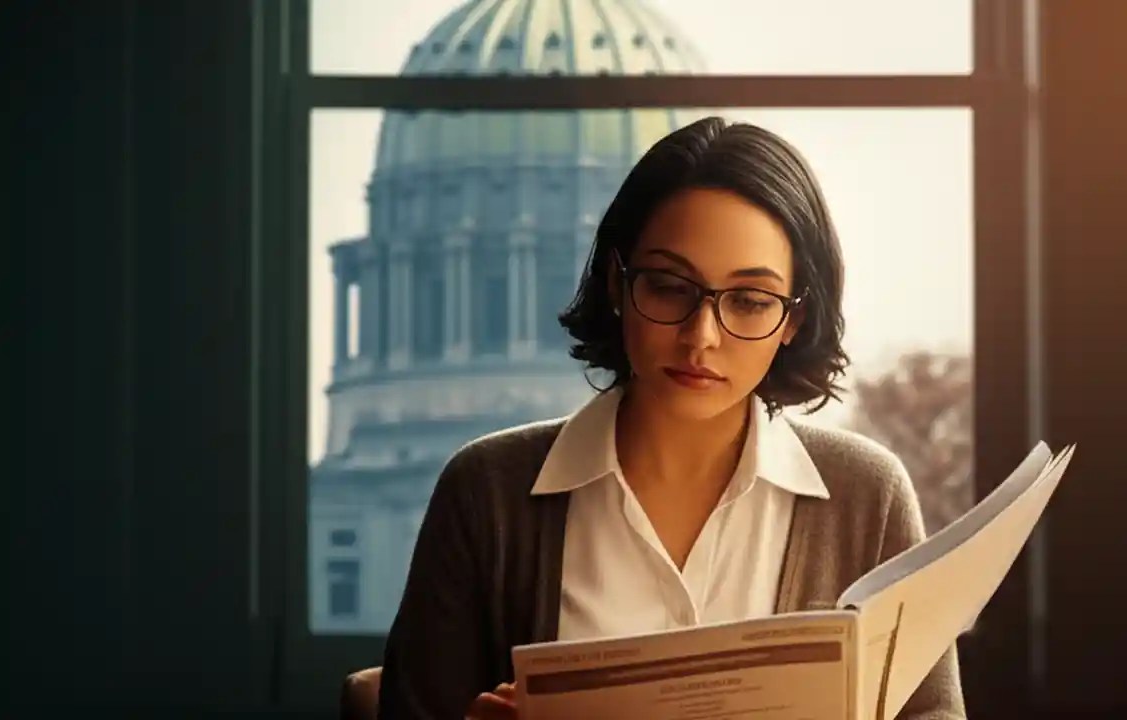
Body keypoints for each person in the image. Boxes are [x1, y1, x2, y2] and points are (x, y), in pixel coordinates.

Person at [377, 116, 965, 719]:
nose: (700, 337)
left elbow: (932, 711)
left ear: (793, 319)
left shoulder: (867, 494)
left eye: (750, 301)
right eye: (668, 287)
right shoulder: (485, 492)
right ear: (616, 281)